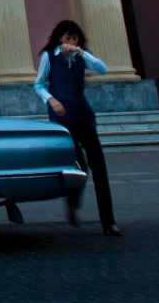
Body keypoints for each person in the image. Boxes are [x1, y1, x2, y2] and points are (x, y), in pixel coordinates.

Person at [32, 20, 119, 235]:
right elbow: (39, 84)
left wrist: (81, 51)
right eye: (68, 38)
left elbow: (101, 69)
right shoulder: (49, 57)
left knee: (99, 167)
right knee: (79, 165)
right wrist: (51, 100)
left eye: (75, 38)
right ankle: (72, 204)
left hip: (83, 116)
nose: (71, 41)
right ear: (60, 38)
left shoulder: (81, 56)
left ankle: (108, 221)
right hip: (62, 118)